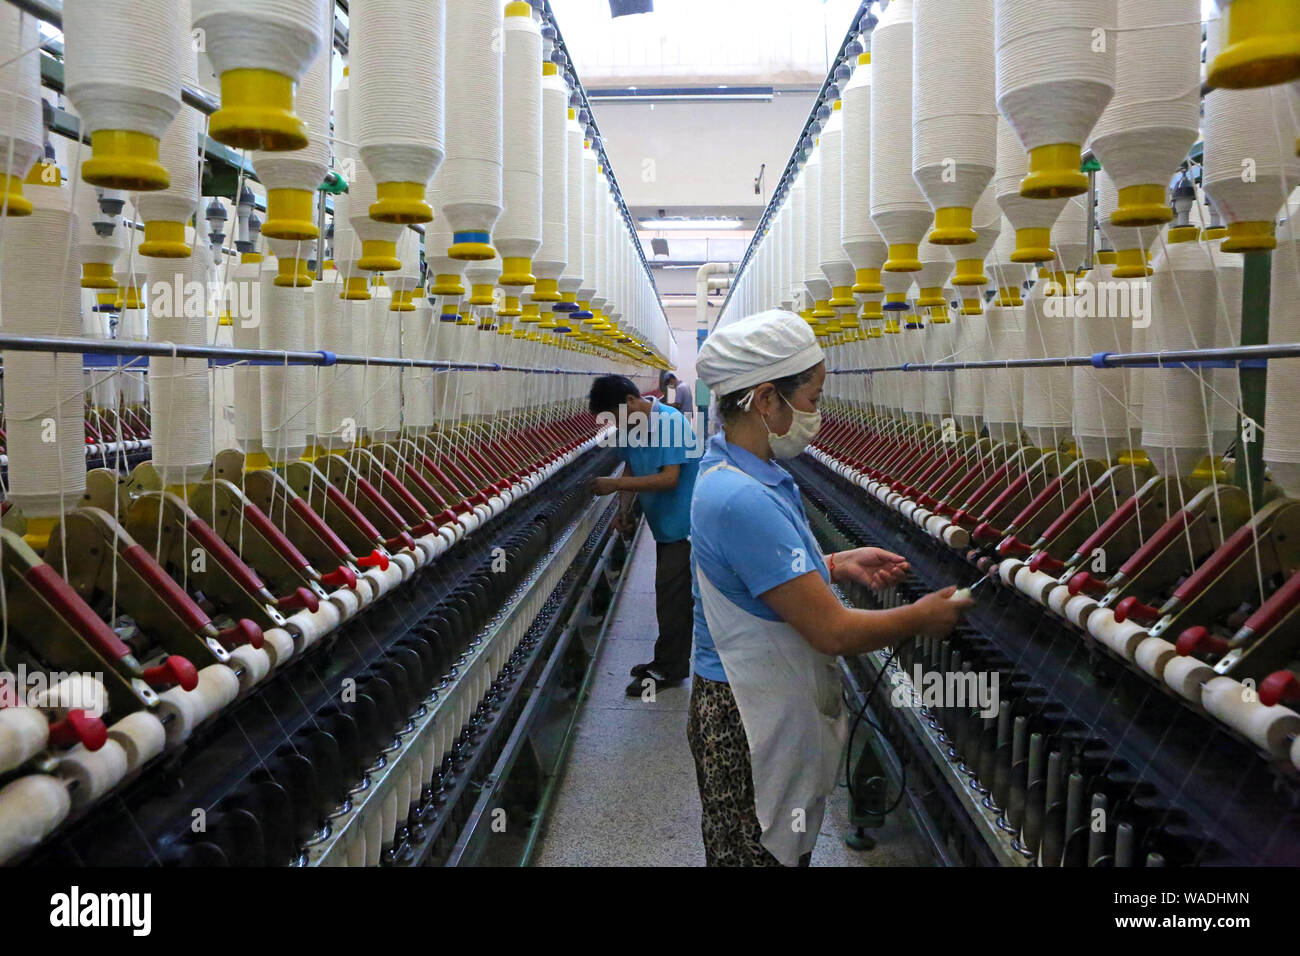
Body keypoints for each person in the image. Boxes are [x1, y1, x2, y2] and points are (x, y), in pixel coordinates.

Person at [688, 309, 974, 867]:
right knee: (756, 852)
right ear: (767, 400)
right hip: (747, 713)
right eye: (812, 399)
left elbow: (762, 573)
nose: (817, 413)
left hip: (756, 697)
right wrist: (922, 616)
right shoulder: (743, 499)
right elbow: (834, 631)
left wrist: (837, 563)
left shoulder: (743, 475)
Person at [589, 374, 702, 696]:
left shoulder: (672, 422)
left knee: (673, 598)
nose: (615, 425)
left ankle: (669, 668)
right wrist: (622, 511)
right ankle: (667, 660)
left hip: (685, 527)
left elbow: (669, 479)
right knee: (669, 595)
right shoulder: (629, 427)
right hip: (664, 526)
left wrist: (614, 486)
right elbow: (630, 466)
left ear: (629, 401)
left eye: (613, 416)